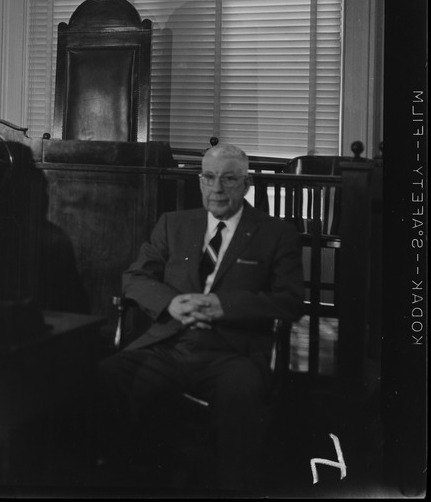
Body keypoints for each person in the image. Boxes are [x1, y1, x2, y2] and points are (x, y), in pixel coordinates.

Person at [96, 143, 304, 492]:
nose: (217, 188)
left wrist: (223, 305)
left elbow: (289, 301)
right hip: (169, 345)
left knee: (242, 396)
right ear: (200, 180)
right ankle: (124, 479)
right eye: (209, 178)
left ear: (247, 183)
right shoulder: (174, 224)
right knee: (109, 374)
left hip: (232, 352)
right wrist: (171, 303)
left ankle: (232, 488)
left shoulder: (275, 233)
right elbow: (135, 277)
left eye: (229, 179)